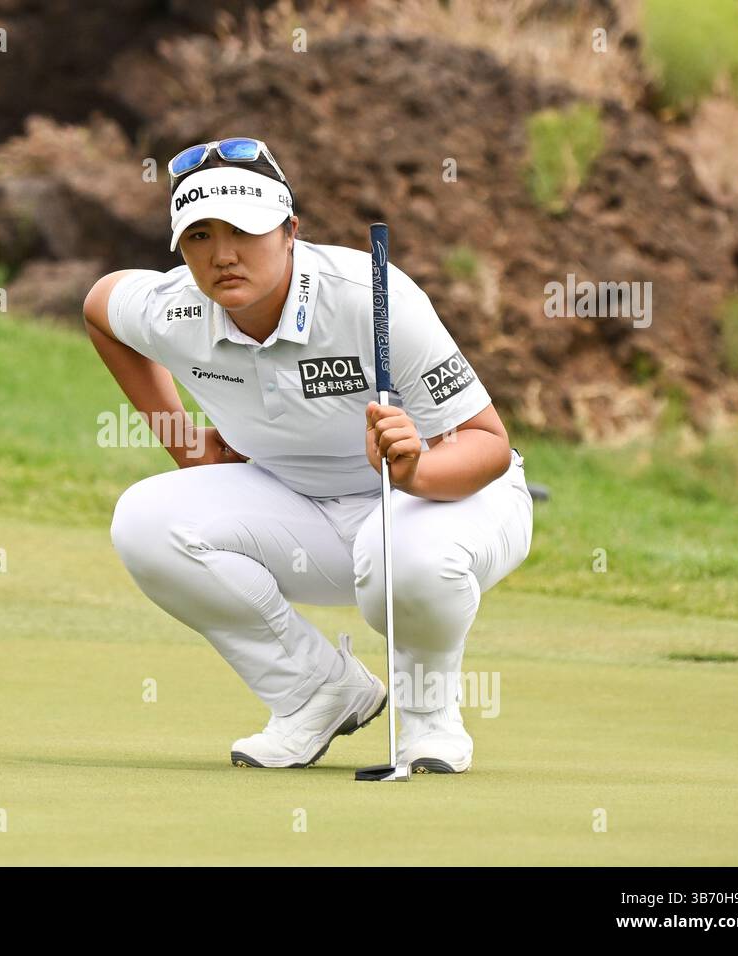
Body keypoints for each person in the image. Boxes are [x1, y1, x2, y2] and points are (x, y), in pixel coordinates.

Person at [82, 137, 533, 772]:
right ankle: (316, 692)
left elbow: (488, 444)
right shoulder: (175, 307)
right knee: (145, 521)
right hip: (301, 508)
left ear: (291, 230)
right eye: (200, 237)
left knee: (405, 557)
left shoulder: (370, 296)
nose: (224, 255)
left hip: (445, 503)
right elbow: (100, 307)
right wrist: (185, 443)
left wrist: (418, 469)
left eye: (245, 231)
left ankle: (430, 719)